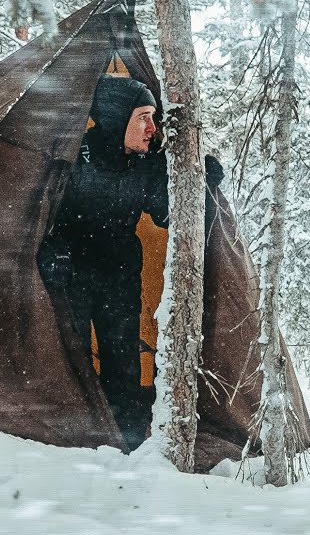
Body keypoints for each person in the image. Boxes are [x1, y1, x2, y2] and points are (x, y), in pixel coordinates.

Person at [38, 74, 223, 451]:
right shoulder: (75, 156)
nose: (152, 129)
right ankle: (76, 443)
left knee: (122, 362)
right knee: (71, 357)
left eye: (153, 117)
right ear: (116, 117)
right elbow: (39, 216)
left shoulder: (145, 164)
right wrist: (53, 250)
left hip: (120, 272)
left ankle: (126, 446)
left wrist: (200, 186)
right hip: (73, 270)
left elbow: (168, 216)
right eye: (143, 117)